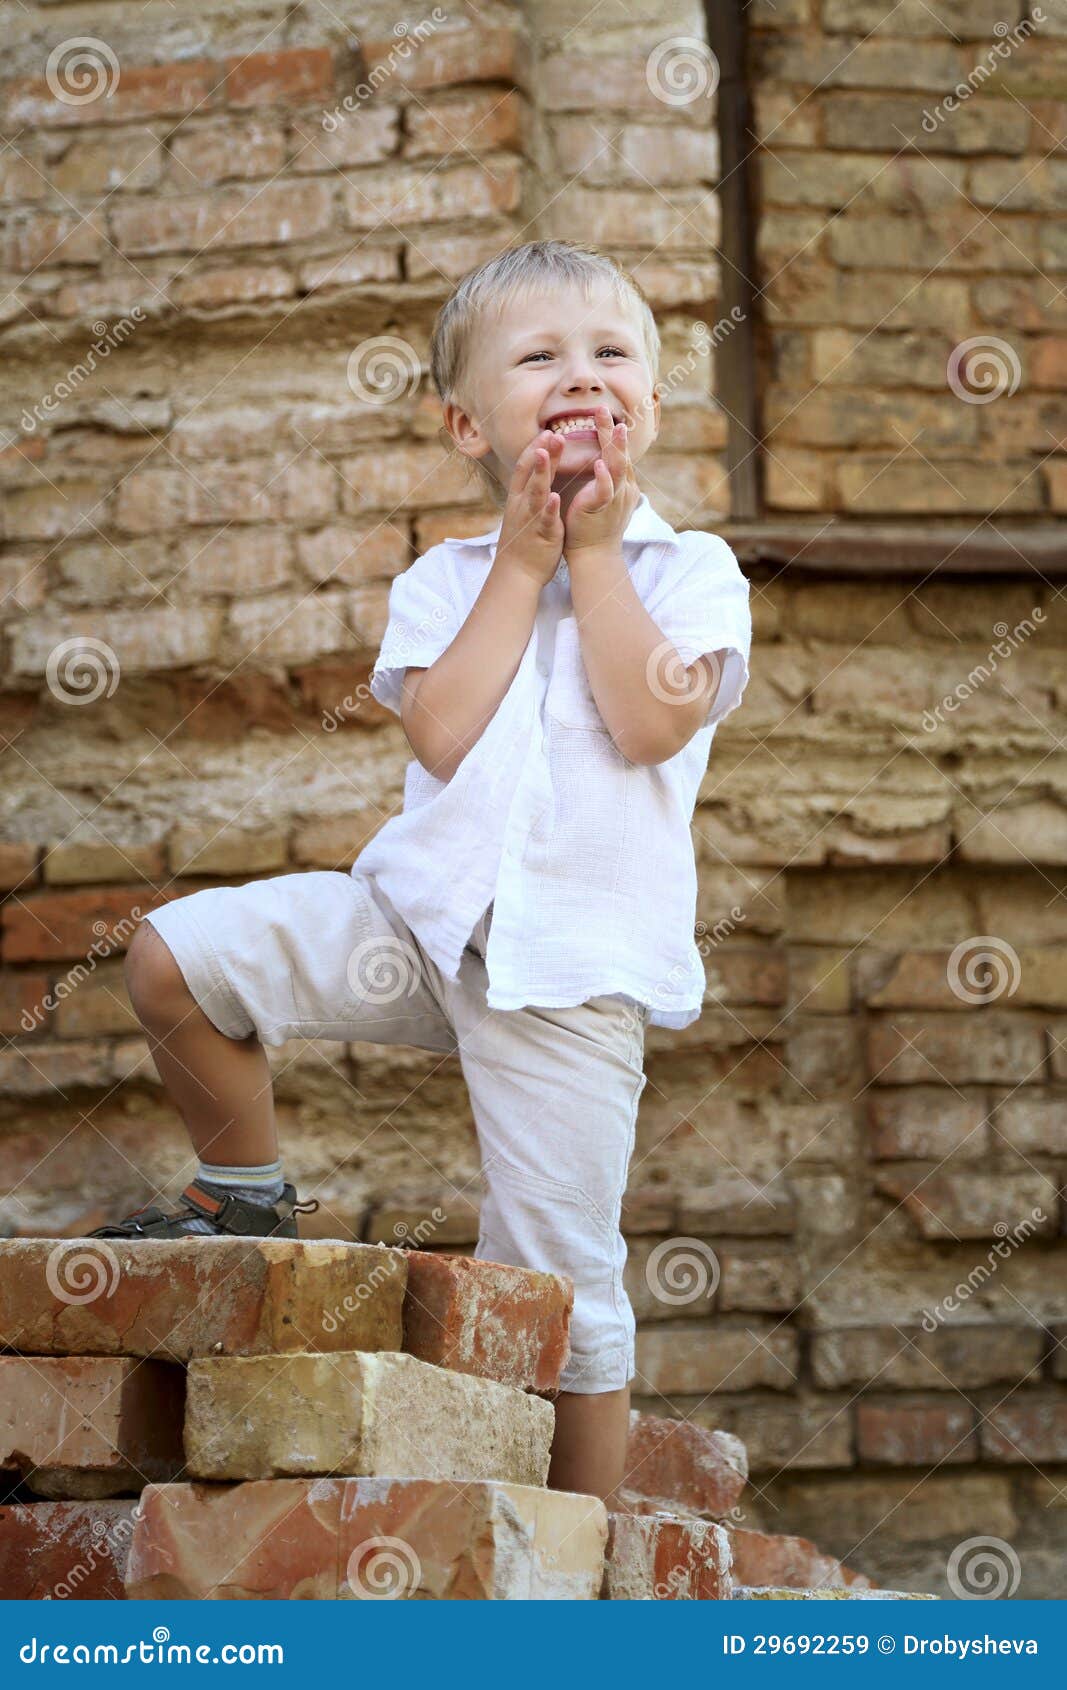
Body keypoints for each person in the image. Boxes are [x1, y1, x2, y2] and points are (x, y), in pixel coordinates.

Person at [89, 239, 753, 1507]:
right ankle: (246, 1197)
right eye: (540, 356)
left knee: (557, 1278)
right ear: (467, 425)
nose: (581, 375)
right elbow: (441, 733)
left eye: (610, 354)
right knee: (178, 958)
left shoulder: (692, 573)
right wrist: (523, 564)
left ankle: (572, 1549)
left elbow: (648, 721)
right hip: (412, 925)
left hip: (565, 973)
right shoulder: (446, 578)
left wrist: (593, 557)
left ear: (652, 407)